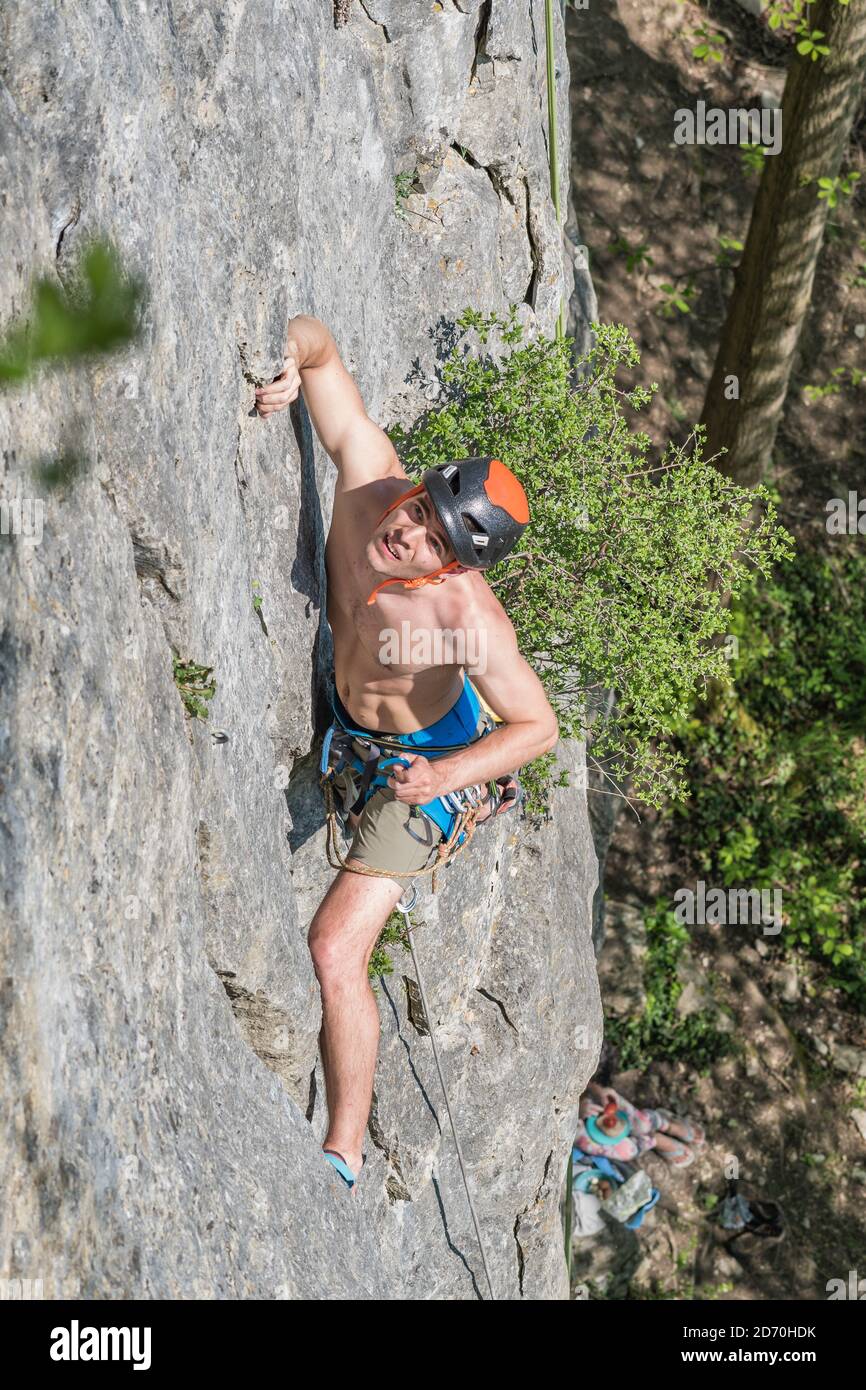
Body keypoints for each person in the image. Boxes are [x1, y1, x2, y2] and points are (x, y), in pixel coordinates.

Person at [255, 316, 559, 1193]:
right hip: (357, 726)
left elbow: (535, 729)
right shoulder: (367, 486)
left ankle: (343, 1147)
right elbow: (320, 346)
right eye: (421, 510)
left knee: (335, 947)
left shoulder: (467, 622)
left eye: (434, 540)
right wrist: (286, 360)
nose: (409, 533)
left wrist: (445, 776)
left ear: (455, 567)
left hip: (424, 770)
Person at [575, 1081, 707, 1168]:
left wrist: (598, 1090)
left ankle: (667, 1125)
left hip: (599, 1106)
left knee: (642, 1123)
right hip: (582, 1131)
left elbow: (584, 1075)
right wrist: (575, 1113)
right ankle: (655, 1140)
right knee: (628, 1151)